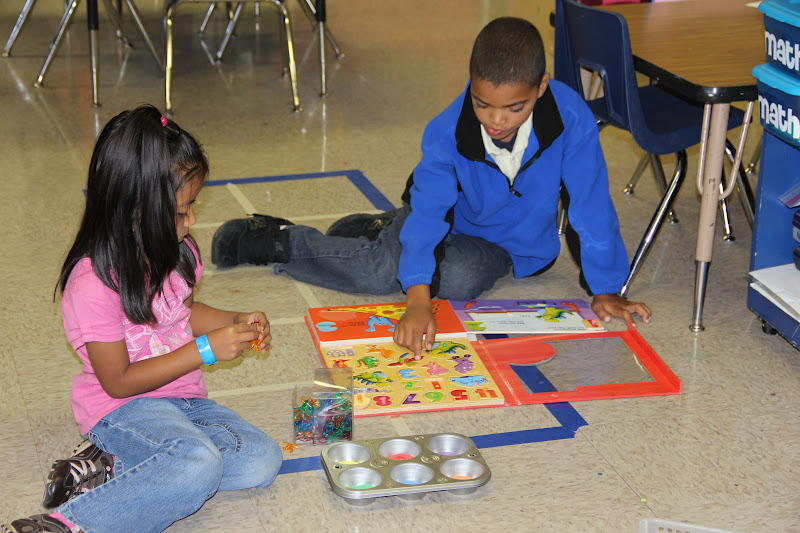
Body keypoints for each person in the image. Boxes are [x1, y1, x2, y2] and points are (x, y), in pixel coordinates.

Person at [210, 17, 651, 357]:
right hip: (445, 222)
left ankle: (381, 232)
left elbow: (591, 205)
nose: (496, 120)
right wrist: (417, 297)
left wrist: (606, 287)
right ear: (471, 84)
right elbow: (430, 213)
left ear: (541, 87)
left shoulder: (571, 119)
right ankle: (280, 240)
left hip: (510, 246)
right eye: (482, 104)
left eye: (513, 108)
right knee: (386, 274)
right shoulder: (446, 130)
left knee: (458, 277)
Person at [2, 106, 282, 533]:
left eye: (191, 208)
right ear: (134, 210)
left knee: (261, 458)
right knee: (197, 465)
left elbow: (183, 314)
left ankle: (119, 465)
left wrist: (234, 319)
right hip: (124, 406)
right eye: (180, 212)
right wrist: (205, 350)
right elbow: (118, 380)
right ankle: (65, 525)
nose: (190, 223)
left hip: (185, 403)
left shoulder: (178, 252)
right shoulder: (93, 283)